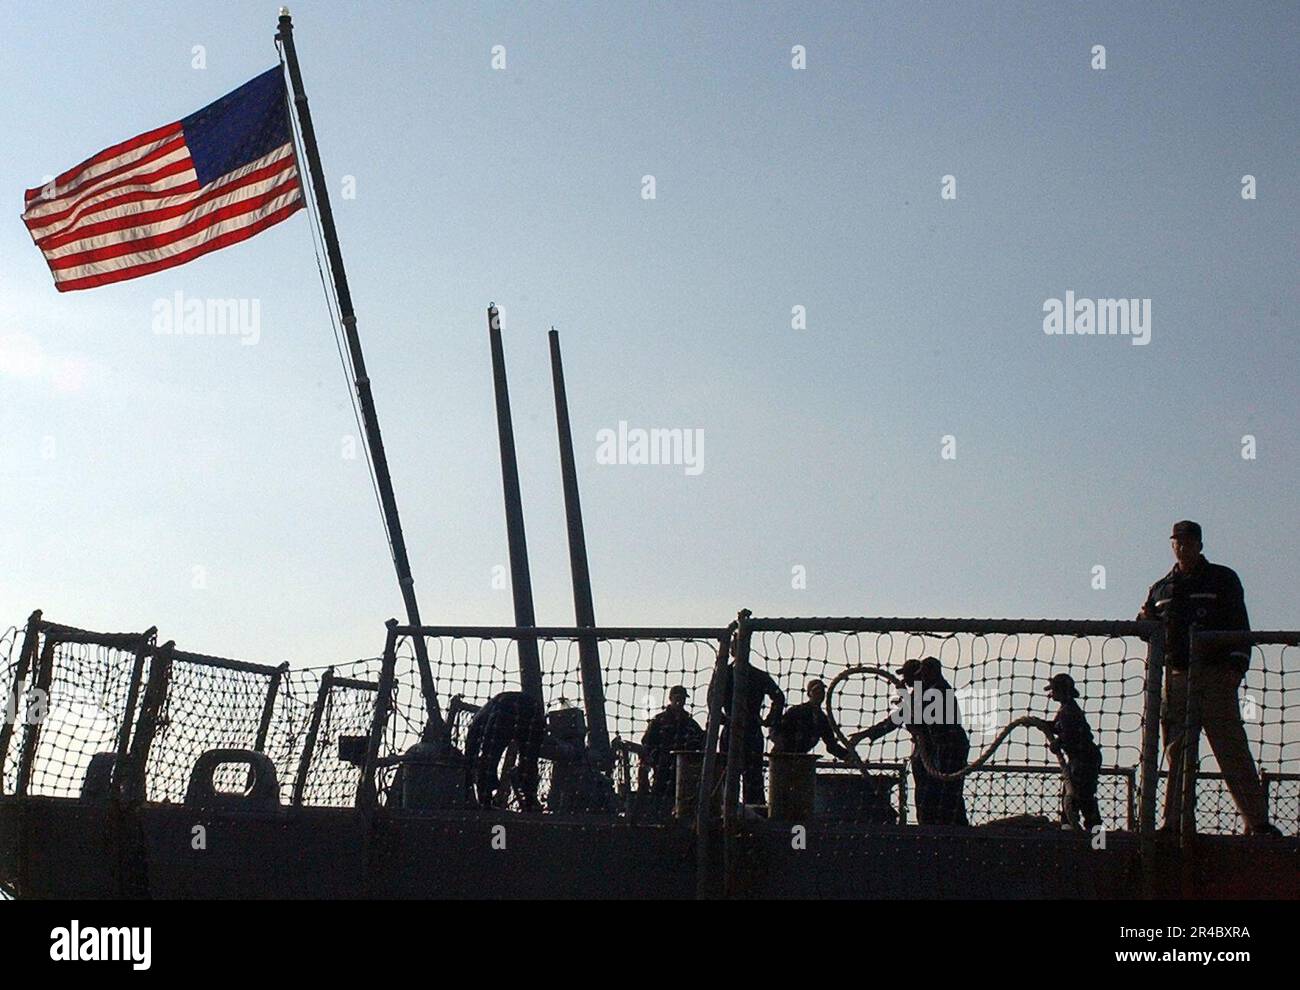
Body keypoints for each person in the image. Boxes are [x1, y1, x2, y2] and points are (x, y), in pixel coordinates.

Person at [1138, 520, 1280, 835]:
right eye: (1177, 541)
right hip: (1176, 678)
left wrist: (1236, 667)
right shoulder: (1161, 589)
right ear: (1171, 544)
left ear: (1200, 545)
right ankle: (1174, 822)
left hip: (1215, 677)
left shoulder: (1222, 580)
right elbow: (1146, 625)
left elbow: (1239, 627)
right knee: (1178, 753)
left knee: (1230, 748)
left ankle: (1256, 822)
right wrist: (1145, 620)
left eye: (1188, 542)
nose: (1182, 547)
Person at [860, 657, 969, 825]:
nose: (906, 680)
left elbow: (915, 715)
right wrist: (868, 734)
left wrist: (903, 695)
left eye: (910, 676)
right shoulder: (921, 692)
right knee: (928, 794)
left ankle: (952, 829)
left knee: (947, 793)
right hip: (929, 749)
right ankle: (929, 826)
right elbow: (900, 717)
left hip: (946, 748)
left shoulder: (937, 690)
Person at [462, 690, 547, 811]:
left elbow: (475, 758)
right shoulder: (482, 718)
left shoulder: (476, 726)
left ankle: (485, 801)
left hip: (505, 709)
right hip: (532, 709)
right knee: (529, 761)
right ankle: (530, 800)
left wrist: (469, 790)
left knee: (490, 757)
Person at [717, 656, 785, 804]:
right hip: (743, 728)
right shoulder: (728, 674)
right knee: (735, 773)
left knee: (747, 774)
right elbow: (779, 697)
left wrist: (770, 719)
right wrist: (769, 720)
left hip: (744, 728)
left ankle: (745, 810)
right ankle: (734, 808)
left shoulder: (725, 674)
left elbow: (779, 698)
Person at [1043, 673, 1103, 830]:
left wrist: (1059, 742)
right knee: (1074, 793)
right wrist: (1042, 724)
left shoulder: (1069, 710)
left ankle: (1090, 833)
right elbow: (1060, 728)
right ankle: (1071, 825)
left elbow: (1071, 734)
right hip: (1080, 758)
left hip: (1084, 758)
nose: (1052, 694)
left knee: (1082, 795)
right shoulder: (1067, 709)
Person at [638, 685, 706, 797]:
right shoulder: (659, 721)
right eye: (677, 698)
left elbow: (701, 743)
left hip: (684, 774)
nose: (680, 702)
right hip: (662, 770)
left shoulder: (690, 724)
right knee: (660, 799)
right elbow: (647, 743)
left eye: (682, 699)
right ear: (671, 698)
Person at [772, 678, 853, 762]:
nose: (819, 694)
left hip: (801, 758)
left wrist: (848, 756)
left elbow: (831, 745)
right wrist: (783, 746)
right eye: (816, 690)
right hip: (781, 756)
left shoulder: (822, 719)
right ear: (809, 694)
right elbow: (776, 730)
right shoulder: (796, 711)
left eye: (822, 691)